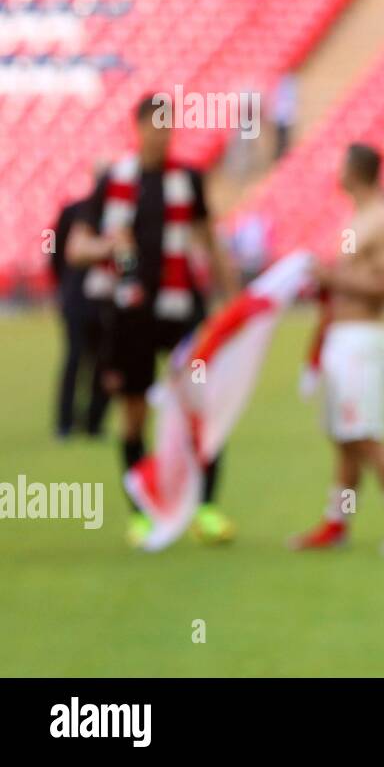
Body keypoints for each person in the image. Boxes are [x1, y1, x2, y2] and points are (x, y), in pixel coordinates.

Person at [67, 96, 240, 547]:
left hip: (184, 312)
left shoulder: (189, 180)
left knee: (199, 407)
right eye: (155, 125)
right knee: (133, 411)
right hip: (129, 315)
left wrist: (233, 298)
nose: (162, 134)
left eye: (169, 126)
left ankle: (205, 508)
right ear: (138, 127)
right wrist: (108, 247)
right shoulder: (114, 181)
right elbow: (76, 248)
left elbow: (210, 242)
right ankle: (143, 513)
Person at [291, 143, 384, 555]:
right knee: (345, 437)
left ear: (353, 170)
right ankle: (337, 522)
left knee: (365, 434)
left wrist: (333, 279)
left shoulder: (383, 219)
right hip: (343, 336)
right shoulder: (361, 217)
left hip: (363, 338)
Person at [50, 175, 110, 440]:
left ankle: (93, 423)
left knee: (105, 361)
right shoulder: (74, 211)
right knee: (75, 358)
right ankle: (65, 423)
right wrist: (64, 287)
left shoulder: (120, 215)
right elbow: (56, 254)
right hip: (76, 299)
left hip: (107, 300)